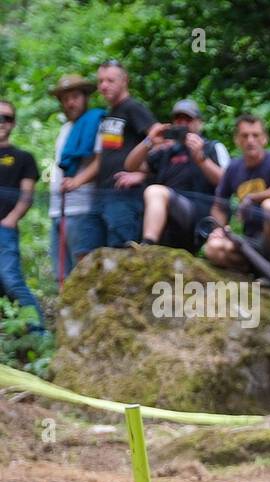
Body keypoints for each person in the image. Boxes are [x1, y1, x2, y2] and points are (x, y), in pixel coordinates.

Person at [125, 100, 226, 252]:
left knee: (155, 191)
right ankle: (148, 246)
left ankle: (147, 246)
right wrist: (149, 141)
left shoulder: (212, 147)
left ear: (199, 123)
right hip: (170, 217)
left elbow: (227, 182)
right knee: (155, 192)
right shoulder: (166, 151)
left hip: (200, 216)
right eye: (179, 120)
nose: (183, 124)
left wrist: (202, 159)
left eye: (188, 119)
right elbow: (130, 166)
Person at [203, 114, 270, 270]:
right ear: (237, 140)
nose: (250, 140)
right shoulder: (233, 168)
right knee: (212, 248)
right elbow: (219, 205)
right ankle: (254, 272)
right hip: (249, 240)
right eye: (245, 136)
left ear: (264, 138)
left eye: (255, 135)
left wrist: (253, 197)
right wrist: (218, 228)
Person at [84, 60, 155, 252]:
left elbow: (159, 140)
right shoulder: (109, 114)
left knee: (121, 252)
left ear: (125, 81)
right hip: (101, 193)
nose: (104, 85)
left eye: (110, 80)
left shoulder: (133, 108)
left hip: (124, 195)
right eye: (100, 81)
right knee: (89, 252)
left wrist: (144, 175)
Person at [48, 74, 102, 279]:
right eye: (66, 98)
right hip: (57, 208)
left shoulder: (96, 122)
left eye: (75, 96)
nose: (71, 102)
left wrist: (76, 182)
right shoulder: (65, 129)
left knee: (83, 273)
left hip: (82, 208)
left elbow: (100, 161)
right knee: (61, 273)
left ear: (85, 97)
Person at [0, 100, 42, 325]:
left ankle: (40, 333)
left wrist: (10, 220)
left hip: (4, 229)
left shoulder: (23, 158)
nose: (1, 123)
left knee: (11, 281)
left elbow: (27, 195)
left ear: (13, 123)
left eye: (6, 118)